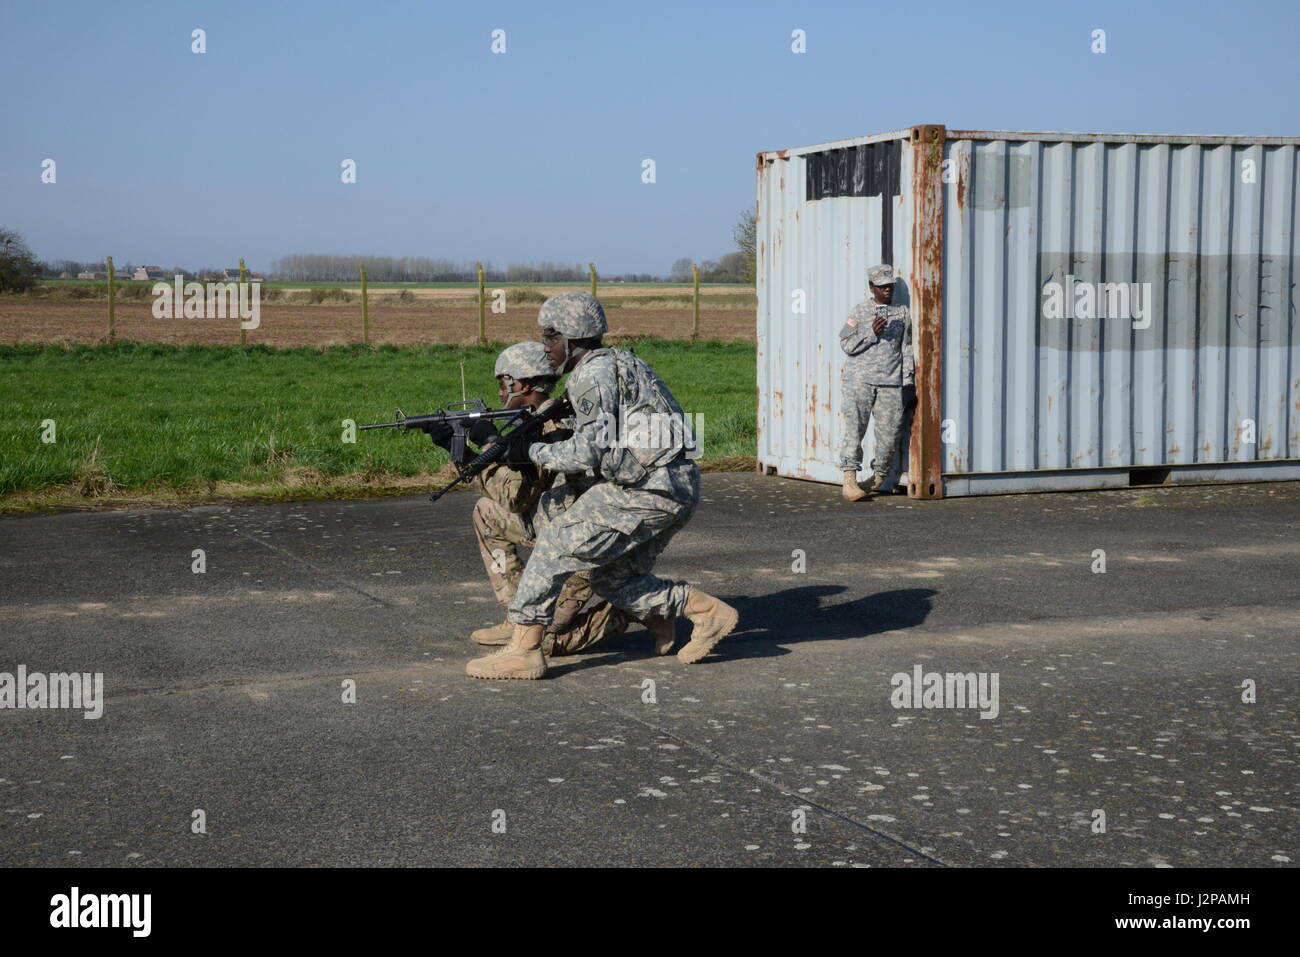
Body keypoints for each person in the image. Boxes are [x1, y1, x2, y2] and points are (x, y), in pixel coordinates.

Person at [465, 291, 739, 681]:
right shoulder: (620, 362)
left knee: (555, 542)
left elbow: (586, 454)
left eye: (550, 338)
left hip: (648, 488)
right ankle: (705, 611)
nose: (545, 349)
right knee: (613, 579)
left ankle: (524, 650)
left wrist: (528, 450)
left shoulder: (591, 374)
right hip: (673, 485)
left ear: (572, 337)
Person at [461, 341, 628, 657]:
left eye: (502, 384)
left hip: (587, 550)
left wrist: (479, 452)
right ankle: (517, 617)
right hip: (564, 533)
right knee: (487, 512)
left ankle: (633, 612)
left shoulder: (548, 425)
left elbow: (516, 497)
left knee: (542, 644)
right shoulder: (552, 413)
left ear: (519, 384)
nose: (498, 393)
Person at [836, 264, 915, 502]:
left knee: (890, 434)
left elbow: (907, 347)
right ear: (872, 288)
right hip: (859, 381)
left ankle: (878, 478)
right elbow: (846, 345)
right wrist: (871, 333)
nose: (887, 290)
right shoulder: (859, 312)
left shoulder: (902, 312)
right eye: (881, 287)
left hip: (890, 383)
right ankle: (849, 480)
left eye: (889, 285)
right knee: (855, 429)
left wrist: (907, 378)